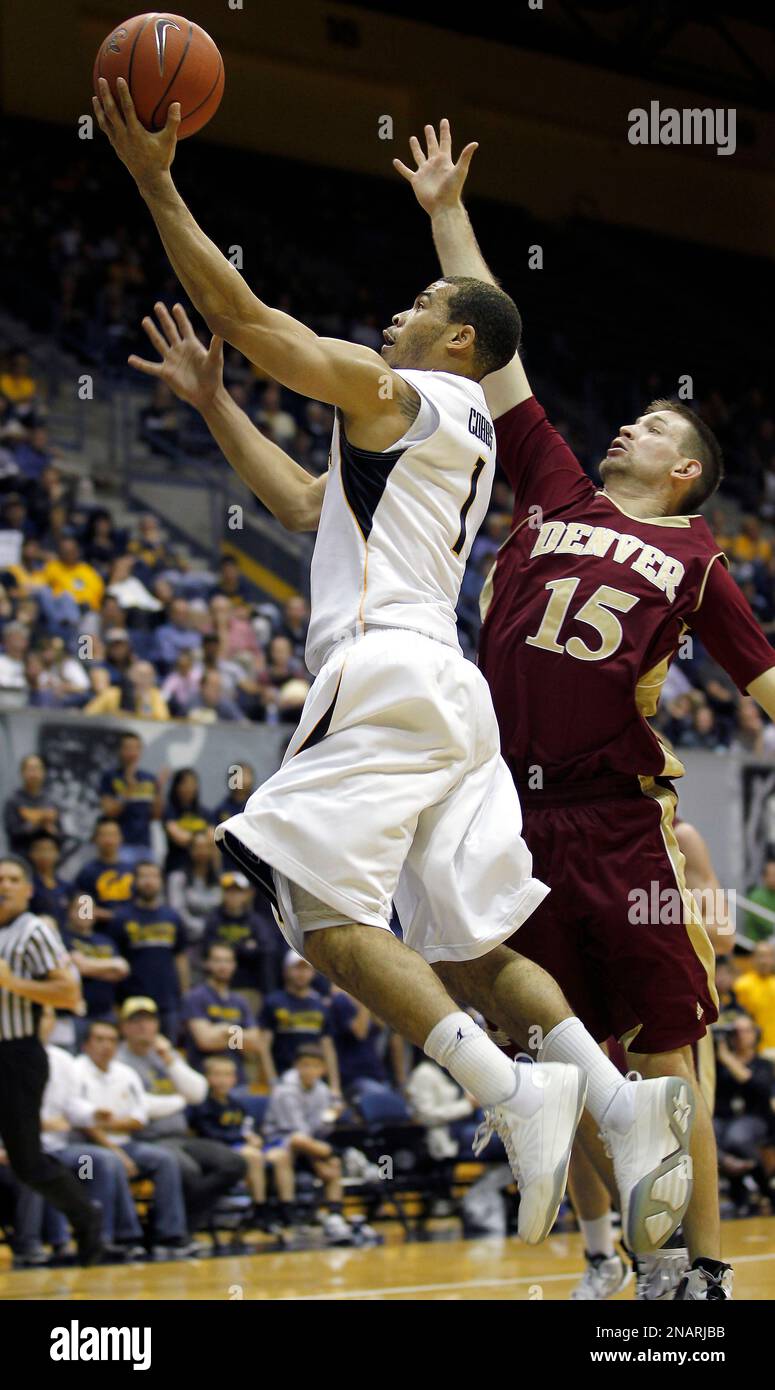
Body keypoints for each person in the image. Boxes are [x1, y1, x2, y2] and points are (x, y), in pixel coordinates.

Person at [96, 82, 698, 1254]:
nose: (398, 313)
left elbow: (259, 321)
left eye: (422, 304)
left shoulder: (415, 394)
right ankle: (619, 1105)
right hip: (448, 692)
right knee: (473, 949)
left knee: (309, 902)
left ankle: (518, 1095)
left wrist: (156, 181)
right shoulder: (447, 435)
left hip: (382, 672)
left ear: (458, 344)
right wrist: (218, 406)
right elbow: (307, 504)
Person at [390, 118, 775, 1297]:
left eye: (656, 426)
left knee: (667, 1059)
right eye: (635, 415)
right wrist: (447, 210)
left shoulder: (702, 562)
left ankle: (692, 1271)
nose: (630, 423)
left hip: (619, 822)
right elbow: (492, 346)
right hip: (510, 812)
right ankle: (613, 1254)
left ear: (685, 475)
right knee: (556, 1061)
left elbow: (764, 688)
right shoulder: (552, 483)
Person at [0, 856, 102, 1263]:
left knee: (26, 1162)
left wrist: (13, 984)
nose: (3, 884)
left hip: (16, 1055)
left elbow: (69, 995)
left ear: (28, 889)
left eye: (12, 878)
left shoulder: (34, 931)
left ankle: (86, 1218)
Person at [13, 1007, 145, 1264]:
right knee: (33, 1171)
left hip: (61, 1148)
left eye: (47, 1016)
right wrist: (38, 1124)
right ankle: (39, 1244)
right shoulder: (10, 1056)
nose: (42, 1022)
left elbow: (72, 1105)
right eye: (37, 1016)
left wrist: (93, 1113)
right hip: (18, 1148)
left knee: (97, 1162)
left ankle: (99, 1239)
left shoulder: (62, 1061)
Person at [117, 997, 247, 1237]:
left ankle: (174, 1220)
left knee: (234, 1163)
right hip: (146, 1139)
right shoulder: (119, 1061)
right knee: (189, 1172)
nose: (144, 1027)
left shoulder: (164, 1054)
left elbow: (197, 1093)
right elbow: (140, 1108)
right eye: (136, 1021)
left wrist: (170, 1060)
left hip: (182, 1137)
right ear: (124, 1027)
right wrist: (178, 1101)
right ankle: (175, 1232)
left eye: (149, 1020)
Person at [70, 1018, 199, 1259]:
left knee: (165, 1160)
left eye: (111, 1040)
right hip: (84, 1150)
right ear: (86, 1045)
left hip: (126, 1142)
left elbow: (139, 1116)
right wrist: (112, 1139)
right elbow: (81, 1120)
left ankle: (169, 1237)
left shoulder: (125, 1073)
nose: (106, 1045)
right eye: (99, 1039)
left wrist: (108, 1123)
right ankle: (116, 1238)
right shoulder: (76, 1071)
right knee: (107, 1162)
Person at [188, 1055, 294, 1230]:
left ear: (234, 1078)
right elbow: (211, 1134)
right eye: (217, 1075)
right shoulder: (202, 1104)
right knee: (253, 1156)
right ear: (206, 1078)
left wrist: (254, 1137)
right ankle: (258, 1209)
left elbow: (247, 1127)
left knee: (281, 1155)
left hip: (241, 1145)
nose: (223, 1080)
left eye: (228, 1075)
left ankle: (286, 1209)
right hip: (220, 1150)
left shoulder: (237, 1104)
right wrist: (243, 1139)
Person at [262, 1043, 351, 1244]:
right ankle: (289, 1216)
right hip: (279, 1141)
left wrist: (331, 1118)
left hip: (309, 1144)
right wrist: (320, 1157)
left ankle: (335, 1216)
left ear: (323, 1069)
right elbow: (296, 1132)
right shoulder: (285, 1091)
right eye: (305, 1065)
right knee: (305, 1145)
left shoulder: (323, 1091)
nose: (309, 1070)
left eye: (314, 1065)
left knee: (332, 1165)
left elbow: (320, 1130)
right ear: (296, 1067)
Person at [109, 861, 189, 1042]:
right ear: (135, 881)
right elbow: (115, 961)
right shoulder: (121, 918)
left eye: (153, 876)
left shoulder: (172, 917)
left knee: (168, 1054)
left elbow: (181, 957)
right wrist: (116, 1003)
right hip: (132, 1001)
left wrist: (184, 994)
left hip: (168, 1001)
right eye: (144, 876)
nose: (149, 882)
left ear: (160, 881)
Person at [182, 942, 271, 1083]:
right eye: (217, 960)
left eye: (228, 961)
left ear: (234, 965)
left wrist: (225, 1031)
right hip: (204, 1079)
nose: (223, 966)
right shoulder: (195, 997)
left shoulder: (239, 1001)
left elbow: (255, 1043)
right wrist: (239, 1037)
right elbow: (205, 1041)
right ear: (207, 963)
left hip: (237, 1079)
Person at [714, 1014, 775, 1212]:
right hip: (726, 1118)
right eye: (735, 1031)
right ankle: (732, 1170)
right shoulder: (717, 1064)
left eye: (745, 1030)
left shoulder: (763, 1064)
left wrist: (726, 1058)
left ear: (755, 1034)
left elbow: (759, 1087)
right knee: (708, 1134)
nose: (740, 1036)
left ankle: (762, 1186)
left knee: (737, 1138)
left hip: (755, 1118)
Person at [259, 952, 340, 1093]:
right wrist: (272, 1080)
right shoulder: (274, 1002)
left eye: (306, 968)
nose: (301, 973)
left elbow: (328, 1048)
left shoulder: (320, 1005)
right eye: (296, 968)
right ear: (286, 971)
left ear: (313, 973)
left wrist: (334, 1086)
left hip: (314, 1078)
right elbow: (264, 1047)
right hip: (283, 1077)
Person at [201, 870, 284, 1006]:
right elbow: (208, 950)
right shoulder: (213, 920)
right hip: (216, 988)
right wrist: (245, 947)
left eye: (237, 892)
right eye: (229, 891)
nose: (233, 896)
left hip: (250, 987)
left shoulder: (256, 922)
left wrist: (232, 947)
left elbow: (266, 950)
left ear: (247, 895)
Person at [61, 890, 130, 1026]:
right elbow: (82, 967)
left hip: (106, 1012)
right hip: (75, 1014)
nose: (85, 914)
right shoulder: (63, 938)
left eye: (89, 909)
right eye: (80, 909)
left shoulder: (106, 941)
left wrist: (90, 968)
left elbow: (122, 970)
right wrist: (111, 965)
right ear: (69, 911)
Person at [98, 731, 162, 862]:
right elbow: (109, 812)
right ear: (120, 751)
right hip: (121, 845)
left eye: (136, 748)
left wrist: (159, 790)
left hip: (145, 843)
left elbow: (156, 815)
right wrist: (128, 791)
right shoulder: (110, 777)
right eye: (128, 748)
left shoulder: (149, 778)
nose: (132, 753)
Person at [74, 816, 135, 929]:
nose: (109, 840)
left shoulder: (132, 870)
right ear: (95, 839)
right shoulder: (87, 872)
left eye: (113, 835)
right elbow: (83, 912)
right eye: (104, 835)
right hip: (101, 933)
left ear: (121, 838)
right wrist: (111, 916)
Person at [167, 829, 222, 946]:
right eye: (198, 847)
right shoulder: (177, 878)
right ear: (190, 850)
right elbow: (177, 912)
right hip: (187, 938)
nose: (202, 851)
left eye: (206, 847)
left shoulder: (220, 880)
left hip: (217, 938)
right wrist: (205, 928)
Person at [3, 753, 62, 854]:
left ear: (44, 772)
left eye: (37, 769)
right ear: (22, 773)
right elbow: (13, 832)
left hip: (47, 857)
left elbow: (60, 834)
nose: (34, 773)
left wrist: (52, 830)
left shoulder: (51, 801)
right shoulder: (13, 800)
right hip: (21, 856)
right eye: (30, 769)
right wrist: (39, 822)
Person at [163, 768, 212, 875]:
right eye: (184, 783)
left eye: (192, 783)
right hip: (178, 866)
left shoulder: (204, 812)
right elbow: (179, 837)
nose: (189, 787)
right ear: (176, 786)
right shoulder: (170, 812)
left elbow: (212, 838)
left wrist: (196, 840)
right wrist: (199, 839)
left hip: (203, 869)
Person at [734, 943, 775, 1056]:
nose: (764, 961)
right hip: (752, 1051)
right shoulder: (742, 985)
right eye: (761, 956)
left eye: (769, 956)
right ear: (753, 959)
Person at [27, 831, 71, 926]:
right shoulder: (27, 886)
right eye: (40, 850)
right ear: (31, 854)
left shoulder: (67, 887)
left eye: (49, 850)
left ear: (58, 854)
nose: (45, 855)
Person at [743, 860, 775, 944]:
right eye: (772, 875)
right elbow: (764, 923)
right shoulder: (756, 896)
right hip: (759, 940)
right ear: (764, 877)